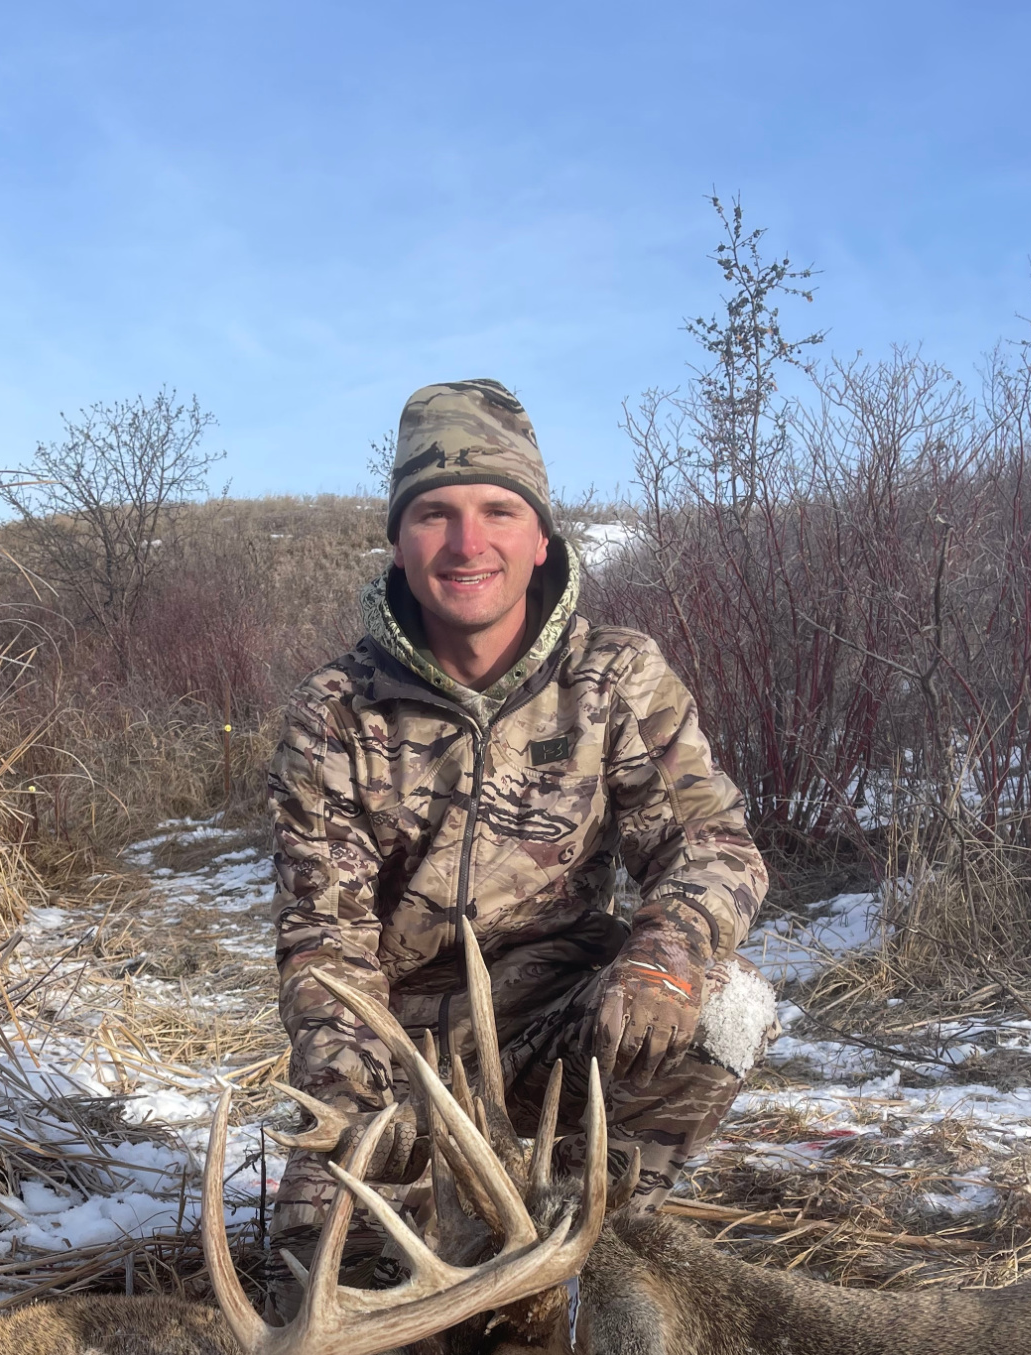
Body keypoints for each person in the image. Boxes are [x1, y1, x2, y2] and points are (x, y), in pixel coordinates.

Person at [268, 377, 774, 1279]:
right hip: (403, 1055)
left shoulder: (615, 676)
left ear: (540, 538)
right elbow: (325, 944)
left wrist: (668, 951)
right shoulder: (337, 712)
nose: (468, 544)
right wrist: (352, 1102)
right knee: (321, 1278)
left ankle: (597, 1243)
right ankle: (433, 1201)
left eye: (499, 510)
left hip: (564, 1026)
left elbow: (712, 846)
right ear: (398, 538)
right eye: (434, 514)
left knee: (727, 1006)